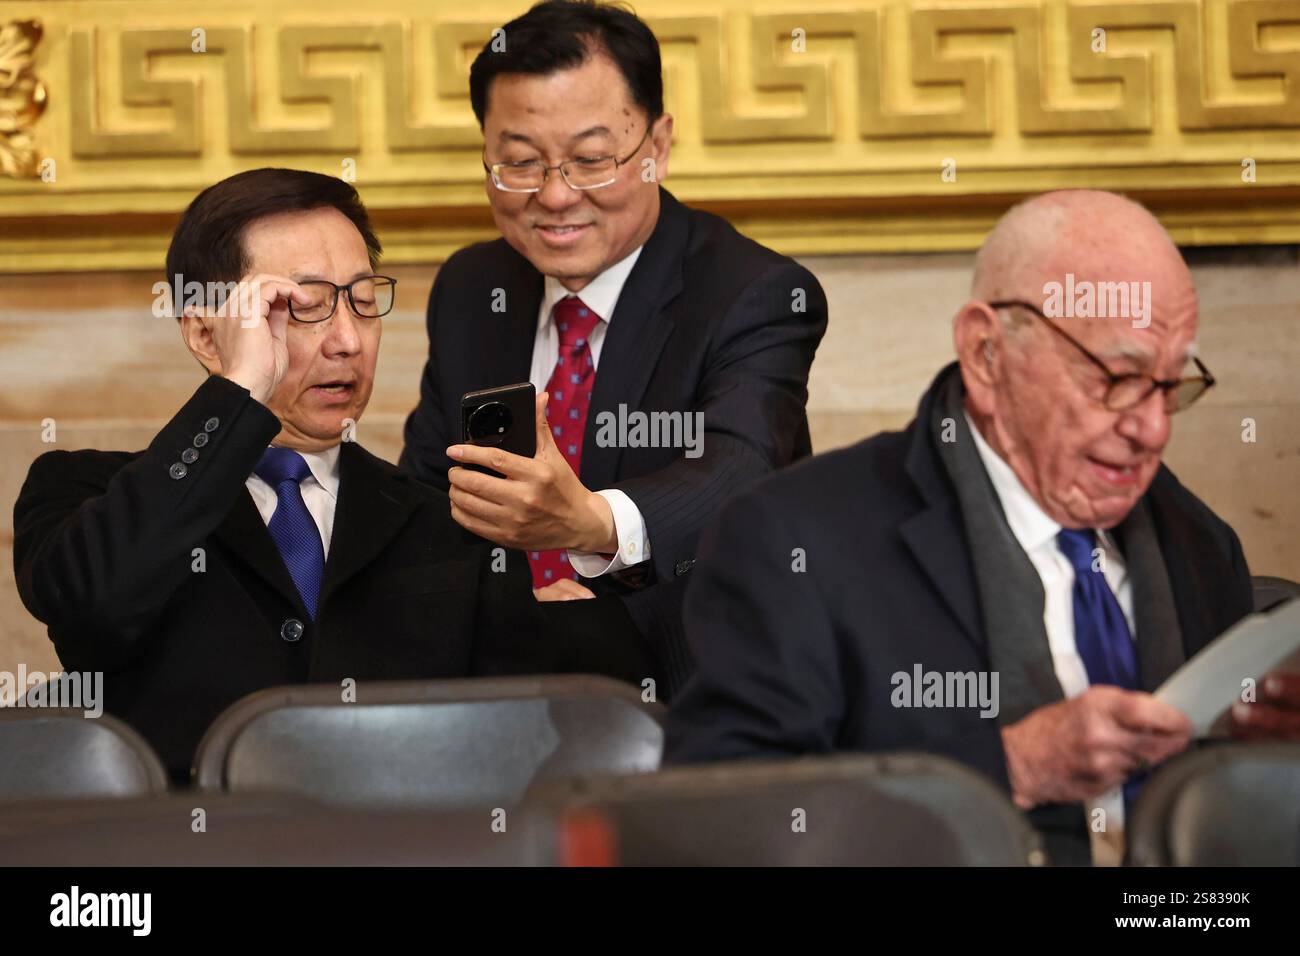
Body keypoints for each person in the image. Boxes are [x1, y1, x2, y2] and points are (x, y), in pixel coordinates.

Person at [664, 189, 1300, 865]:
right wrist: (1009, 769)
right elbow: (721, 827)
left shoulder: (1199, 544)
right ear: (987, 353)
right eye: (1117, 377)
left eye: (1171, 386)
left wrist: (1263, 765)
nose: (1152, 428)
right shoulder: (792, 541)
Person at [13, 168, 554, 781]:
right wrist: (239, 389)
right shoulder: (83, 492)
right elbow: (92, 602)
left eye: (363, 301)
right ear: (204, 334)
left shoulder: (452, 519)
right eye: (302, 307)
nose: (347, 340)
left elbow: (525, 751)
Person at [398, 0, 827, 697]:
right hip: (494, 700)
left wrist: (591, 524)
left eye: (591, 160)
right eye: (519, 163)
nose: (556, 196)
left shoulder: (755, 292)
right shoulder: (474, 288)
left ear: (656, 146)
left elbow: (738, 470)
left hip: (697, 693)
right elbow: (429, 496)